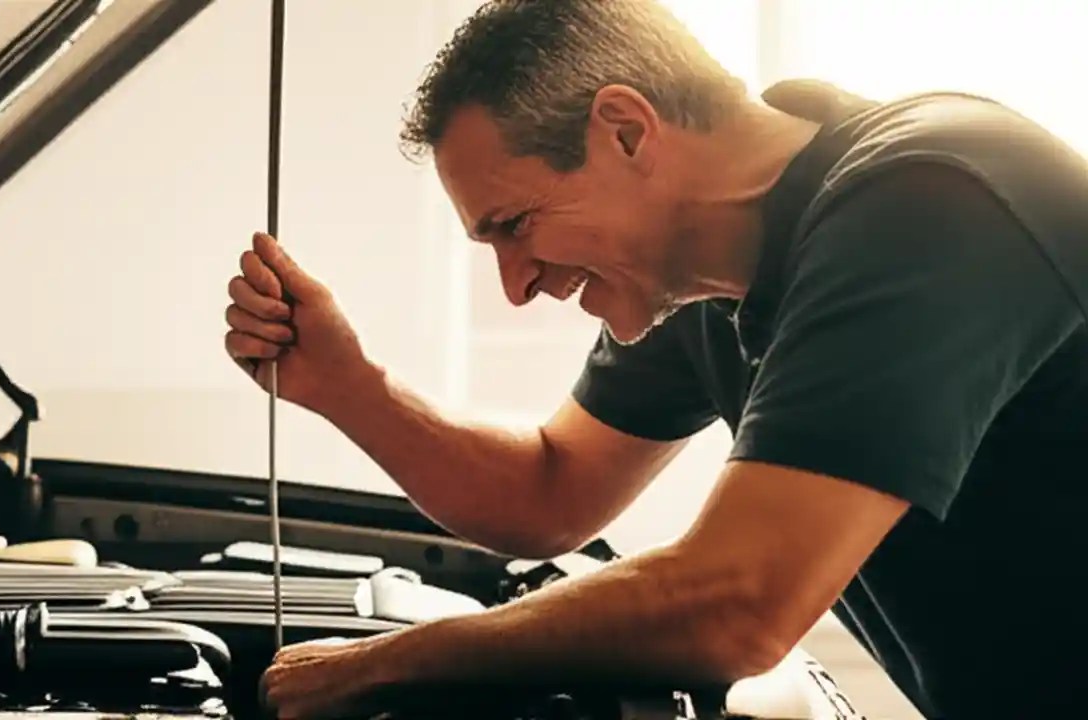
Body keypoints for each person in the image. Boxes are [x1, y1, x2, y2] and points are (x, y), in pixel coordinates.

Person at [224, 1, 1088, 717]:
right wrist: (346, 385)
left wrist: (387, 663)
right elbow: (550, 491)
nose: (517, 286)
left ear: (628, 131)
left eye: (515, 226)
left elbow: (740, 604)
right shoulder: (709, 281)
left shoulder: (929, 200)